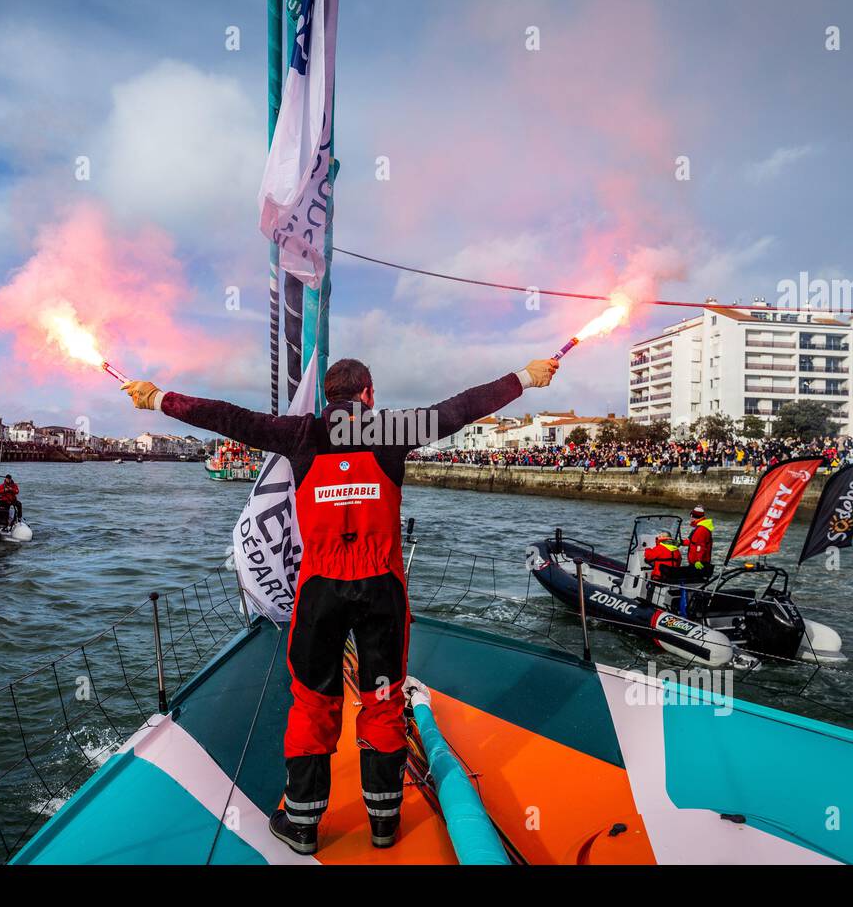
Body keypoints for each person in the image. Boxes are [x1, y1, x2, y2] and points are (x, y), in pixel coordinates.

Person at [122, 355, 558, 855]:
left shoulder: (300, 434)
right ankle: (383, 824)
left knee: (312, 702)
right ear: (368, 393)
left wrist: (158, 398)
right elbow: (462, 408)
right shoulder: (395, 429)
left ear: (330, 397)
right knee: (384, 699)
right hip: (382, 591)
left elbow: (225, 417)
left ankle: (303, 826)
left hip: (320, 592)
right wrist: (525, 378)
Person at [684, 504, 714, 572]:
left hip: (699, 564)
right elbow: (693, 542)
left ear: (692, 516)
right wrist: (682, 542)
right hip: (697, 563)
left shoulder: (701, 529)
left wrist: (698, 560)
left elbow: (700, 546)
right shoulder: (701, 527)